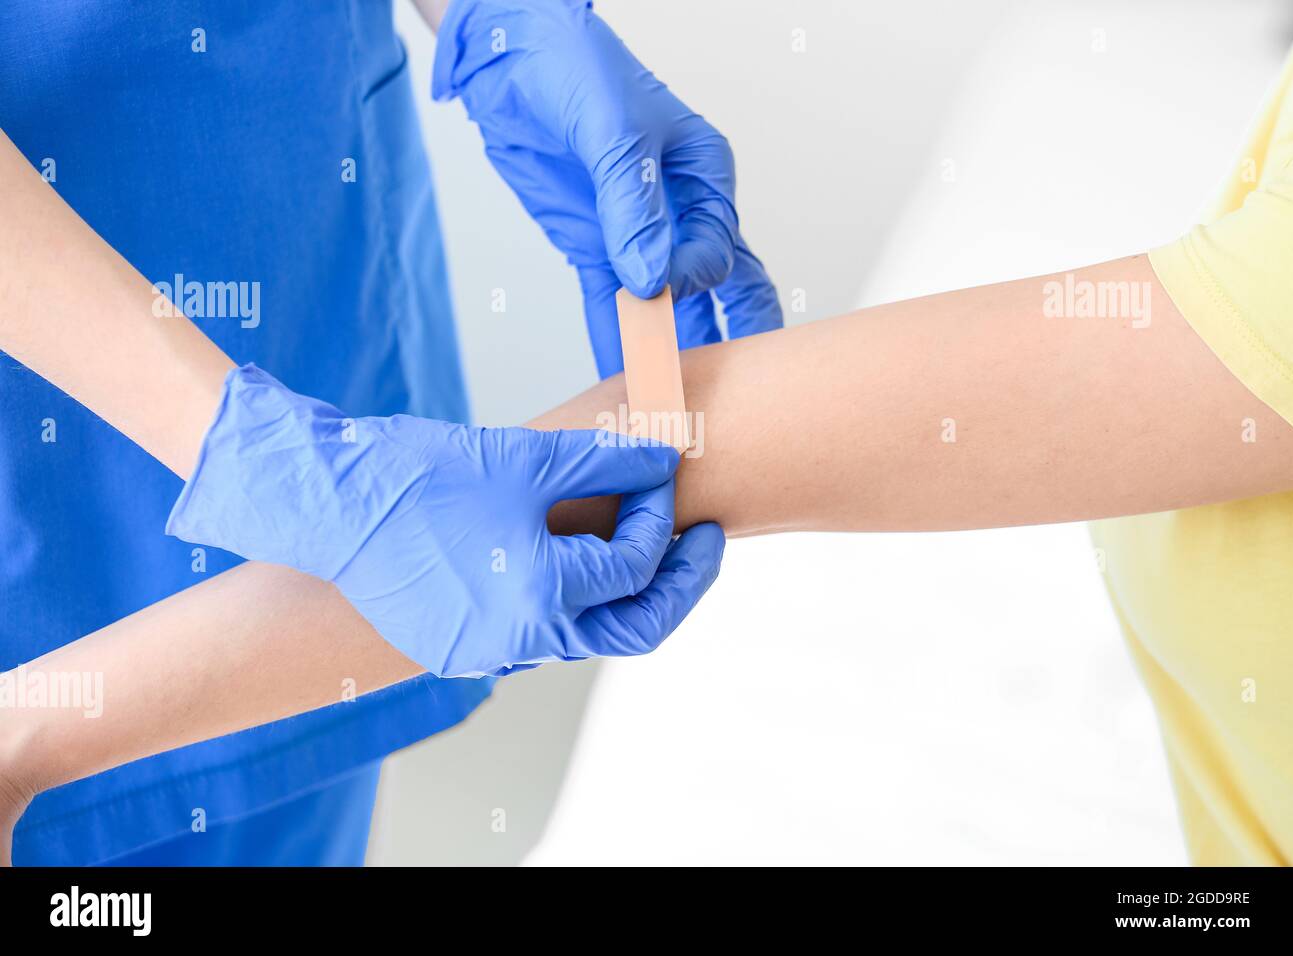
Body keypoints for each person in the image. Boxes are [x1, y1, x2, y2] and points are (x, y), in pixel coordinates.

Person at [0, 0, 779, 866]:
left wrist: (502, 25)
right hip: (36, 484)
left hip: (309, 260)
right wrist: (262, 455)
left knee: (301, 770)